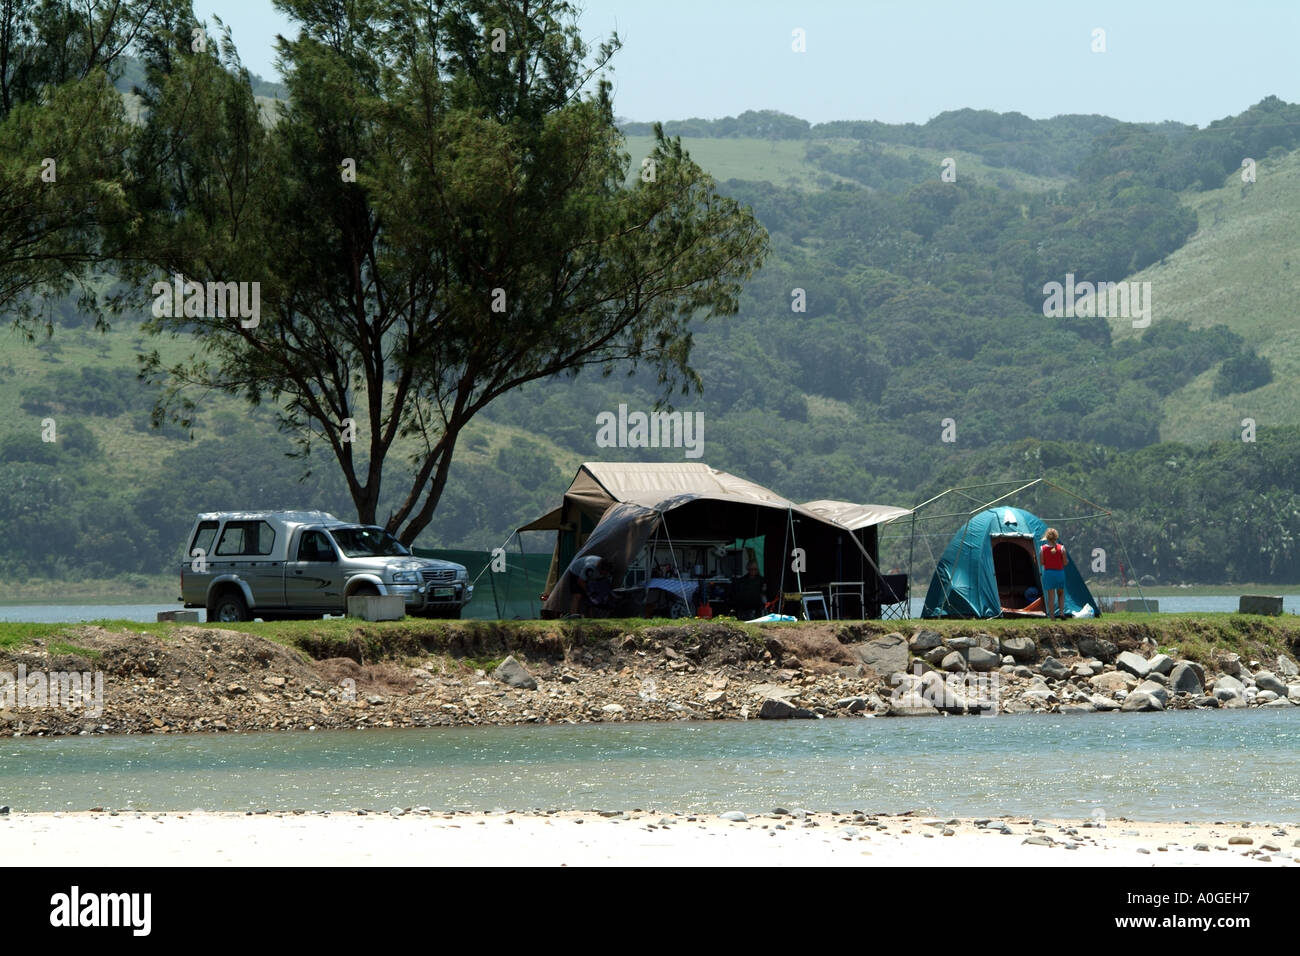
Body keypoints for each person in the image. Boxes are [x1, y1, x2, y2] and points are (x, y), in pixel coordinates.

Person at [1040, 528, 1068, 620]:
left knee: (1051, 596)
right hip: (1059, 573)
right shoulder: (1061, 548)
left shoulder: (1042, 548)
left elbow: (1042, 562)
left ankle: (1052, 617)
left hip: (1049, 573)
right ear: (1056, 537)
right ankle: (1061, 612)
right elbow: (1065, 562)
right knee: (1060, 594)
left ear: (1047, 537)